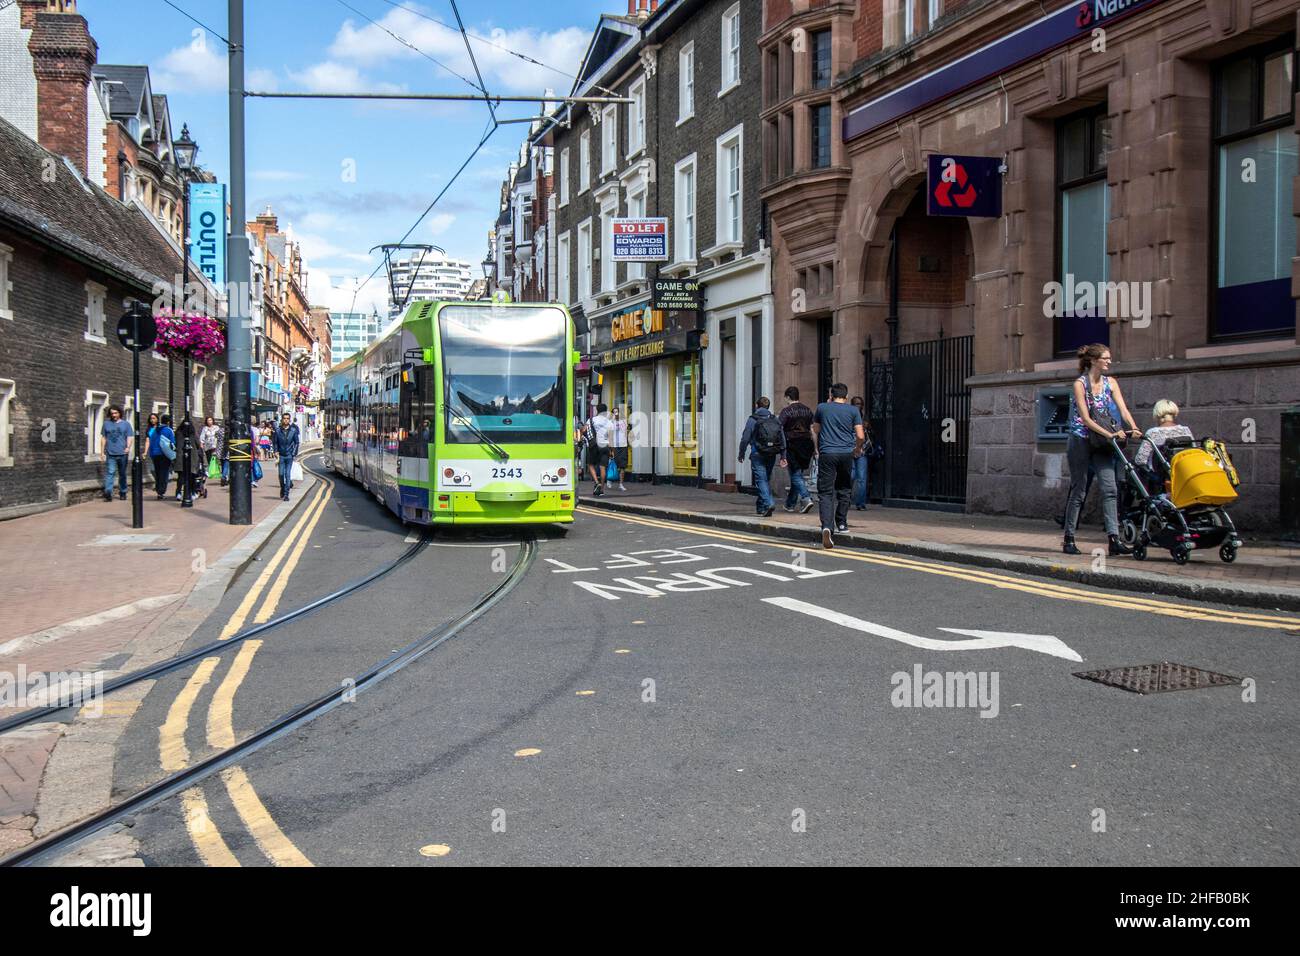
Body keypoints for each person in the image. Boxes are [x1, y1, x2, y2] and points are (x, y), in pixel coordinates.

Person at [1062, 343, 1142, 556]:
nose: (1109, 361)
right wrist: (1111, 435)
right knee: (1079, 490)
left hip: (1104, 443)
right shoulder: (1080, 384)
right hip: (1081, 440)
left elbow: (1123, 410)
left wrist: (1133, 427)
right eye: (1105, 358)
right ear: (1094, 360)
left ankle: (1114, 540)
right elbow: (1086, 419)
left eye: (1109, 358)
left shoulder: (1111, 383)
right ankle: (1069, 538)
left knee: (1110, 488)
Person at [812, 383, 865, 549]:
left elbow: (816, 429)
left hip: (827, 453)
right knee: (844, 488)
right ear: (846, 396)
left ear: (831, 394)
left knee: (826, 492)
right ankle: (842, 523)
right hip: (846, 454)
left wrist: (817, 448)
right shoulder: (853, 411)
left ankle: (827, 526)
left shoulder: (822, 408)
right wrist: (857, 449)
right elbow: (860, 435)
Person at [738, 396, 786, 518]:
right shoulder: (774, 419)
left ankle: (769, 503)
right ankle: (761, 507)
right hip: (771, 454)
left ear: (756, 405)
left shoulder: (753, 419)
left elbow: (745, 438)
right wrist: (783, 455)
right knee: (765, 480)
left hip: (757, 453)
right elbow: (782, 438)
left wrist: (741, 453)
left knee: (761, 480)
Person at [778, 386, 815, 514]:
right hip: (807, 444)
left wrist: (781, 448)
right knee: (797, 473)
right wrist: (815, 448)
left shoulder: (786, 411)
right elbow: (812, 431)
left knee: (795, 474)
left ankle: (806, 497)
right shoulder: (808, 410)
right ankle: (790, 504)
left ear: (788, 397)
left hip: (792, 444)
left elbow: (779, 429)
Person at [99, 405, 134, 502]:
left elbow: (130, 436)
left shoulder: (126, 424)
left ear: (120, 413)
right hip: (111, 453)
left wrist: (128, 447)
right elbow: (103, 438)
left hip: (122, 453)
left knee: (122, 473)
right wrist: (102, 452)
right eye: (112, 413)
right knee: (110, 472)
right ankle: (108, 492)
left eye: (116, 413)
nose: (114, 415)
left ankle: (123, 492)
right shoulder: (106, 424)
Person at [585, 404, 613, 496]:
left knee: (591, 464)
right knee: (603, 467)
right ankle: (602, 490)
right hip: (605, 446)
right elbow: (611, 438)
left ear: (597, 410)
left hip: (594, 445)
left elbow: (584, 429)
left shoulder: (592, 420)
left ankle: (597, 482)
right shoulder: (609, 422)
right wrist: (612, 450)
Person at [146, 413, 175, 499]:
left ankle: (158, 490)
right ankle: (161, 492)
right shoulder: (168, 430)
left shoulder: (155, 430)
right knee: (164, 473)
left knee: (158, 472)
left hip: (154, 454)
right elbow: (173, 443)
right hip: (164, 454)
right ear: (168, 422)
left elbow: (152, 442)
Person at [273, 412, 301, 501]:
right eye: (284, 418)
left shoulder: (293, 430)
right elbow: (275, 443)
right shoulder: (277, 430)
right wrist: (275, 451)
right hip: (280, 455)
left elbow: (297, 442)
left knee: (287, 475)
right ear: (282, 419)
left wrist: (293, 453)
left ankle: (286, 494)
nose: (286, 420)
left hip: (289, 455)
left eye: (287, 418)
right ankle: (282, 487)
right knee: (281, 474)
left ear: (289, 420)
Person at [850, 396, 870, 511]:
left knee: (861, 478)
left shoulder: (864, 417)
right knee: (851, 476)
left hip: (862, 450)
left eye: (860, 404)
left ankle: (860, 503)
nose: (859, 406)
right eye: (856, 404)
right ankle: (846, 500)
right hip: (850, 450)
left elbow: (866, 432)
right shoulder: (849, 417)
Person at [609, 406, 630, 492]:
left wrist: (628, 442)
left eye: (617, 412)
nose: (616, 413)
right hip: (614, 446)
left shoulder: (624, 421)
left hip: (623, 445)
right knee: (614, 464)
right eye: (614, 412)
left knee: (623, 466)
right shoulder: (610, 422)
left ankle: (621, 484)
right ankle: (609, 479)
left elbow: (625, 432)